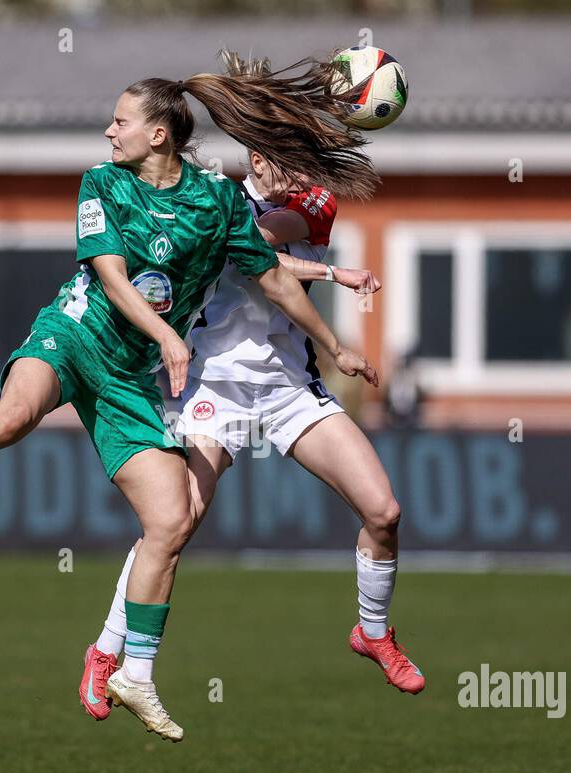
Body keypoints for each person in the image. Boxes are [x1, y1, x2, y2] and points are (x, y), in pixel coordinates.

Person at [0, 62, 379, 743]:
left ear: (159, 134)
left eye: (121, 121)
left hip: (129, 380)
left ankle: (134, 671)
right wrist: (168, 335)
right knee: (16, 414)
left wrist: (336, 343)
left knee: (172, 522)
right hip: (74, 335)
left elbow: (273, 278)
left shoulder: (217, 200)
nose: (109, 131)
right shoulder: (102, 182)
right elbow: (111, 277)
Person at [85, 109, 422, 722]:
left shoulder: (314, 201)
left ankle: (373, 632)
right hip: (214, 386)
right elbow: (251, 250)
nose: (305, 174)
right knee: (174, 523)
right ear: (259, 162)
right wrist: (333, 272)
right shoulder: (214, 198)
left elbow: (262, 242)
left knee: (385, 512)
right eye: (289, 161)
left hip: (291, 388)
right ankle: (107, 651)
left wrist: (333, 326)